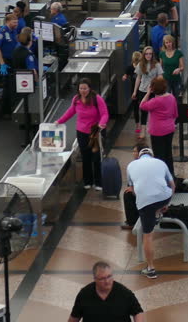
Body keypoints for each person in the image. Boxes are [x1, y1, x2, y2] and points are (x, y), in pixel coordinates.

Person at [126, 142, 175, 279]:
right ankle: (159, 211)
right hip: (164, 198)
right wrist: (167, 202)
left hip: (146, 203)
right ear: (151, 154)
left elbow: (134, 190)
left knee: (148, 235)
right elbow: (172, 184)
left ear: (139, 155)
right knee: (158, 201)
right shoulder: (161, 163)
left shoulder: (130, 166)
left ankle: (151, 268)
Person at [57, 78, 109, 190]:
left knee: (96, 157)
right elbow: (70, 111)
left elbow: (105, 114)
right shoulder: (76, 99)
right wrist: (59, 121)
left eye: (85, 88)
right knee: (85, 157)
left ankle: (98, 182)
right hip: (81, 132)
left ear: (89, 88)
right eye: (81, 88)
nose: (83, 90)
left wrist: (101, 124)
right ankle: (87, 181)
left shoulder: (97, 99)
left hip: (95, 131)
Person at [68, 261, 144, 322]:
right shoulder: (84, 294)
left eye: (109, 276)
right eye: (102, 278)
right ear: (95, 279)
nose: (107, 281)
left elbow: (138, 312)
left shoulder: (124, 293)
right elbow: (74, 317)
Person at [139, 76, 178, 176]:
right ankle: (171, 175)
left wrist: (148, 93)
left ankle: (161, 176)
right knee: (168, 153)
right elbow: (175, 114)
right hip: (170, 129)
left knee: (159, 156)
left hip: (157, 131)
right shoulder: (171, 97)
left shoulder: (155, 101)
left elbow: (142, 105)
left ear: (153, 89)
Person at [133, 46, 163, 138]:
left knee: (156, 110)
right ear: (144, 54)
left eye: (150, 54)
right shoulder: (140, 65)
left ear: (152, 54)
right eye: (146, 54)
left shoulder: (156, 64)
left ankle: (157, 128)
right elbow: (138, 78)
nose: (148, 55)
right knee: (143, 111)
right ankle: (143, 131)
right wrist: (135, 91)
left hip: (154, 91)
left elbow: (160, 76)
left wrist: (156, 85)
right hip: (143, 90)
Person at [0, 13, 20, 119]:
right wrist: (2, 63)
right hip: (6, 62)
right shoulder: (1, 33)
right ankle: (4, 113)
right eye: (14, 22)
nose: (16, 24)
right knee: (7, 87)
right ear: (8, 22)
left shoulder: (13, 30)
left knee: (12, 86)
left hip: (13, 60)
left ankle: (10, 109)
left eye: (17, 22)